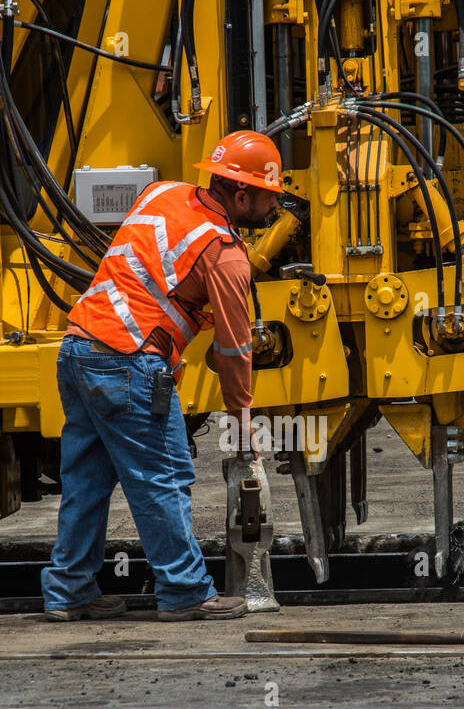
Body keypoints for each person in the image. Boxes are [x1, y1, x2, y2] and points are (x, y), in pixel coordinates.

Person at [41, 130, 283, 621]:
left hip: (78, 347)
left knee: (86, 480)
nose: (274, 205)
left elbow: (151, 271)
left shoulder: (162, 192)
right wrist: (241, 421)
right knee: (163, 478)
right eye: (268, 195)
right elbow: (234, 350)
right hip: (128, 361)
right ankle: (186, 591)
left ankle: (69, 591)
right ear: (241, 195)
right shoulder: (225, 254)